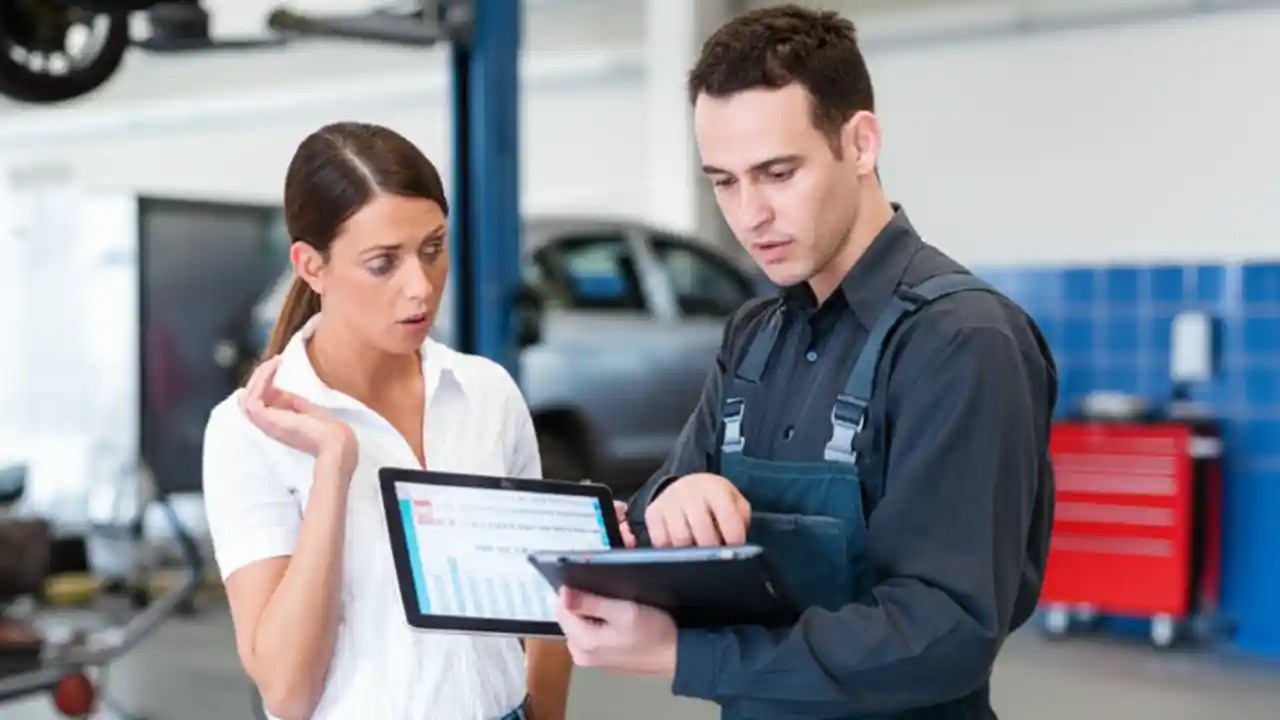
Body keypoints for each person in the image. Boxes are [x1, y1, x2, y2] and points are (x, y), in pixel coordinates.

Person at [554, 5, 1058, 719]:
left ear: (860, 143)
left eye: (778, 173)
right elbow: (654, 509)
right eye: (723, 182)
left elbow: (944, 630)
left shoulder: (963, 343)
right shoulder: (754, 336)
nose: (749, 213)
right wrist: (672, 501)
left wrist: (686, 654)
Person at [201, 122, 572, 720]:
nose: (420, 288)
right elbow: (287, 692)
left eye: (433, 249)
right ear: (310, 265)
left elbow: (545, 606)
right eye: (382, 263)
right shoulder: (247, 433)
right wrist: (333, 466)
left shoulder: (485, 394)